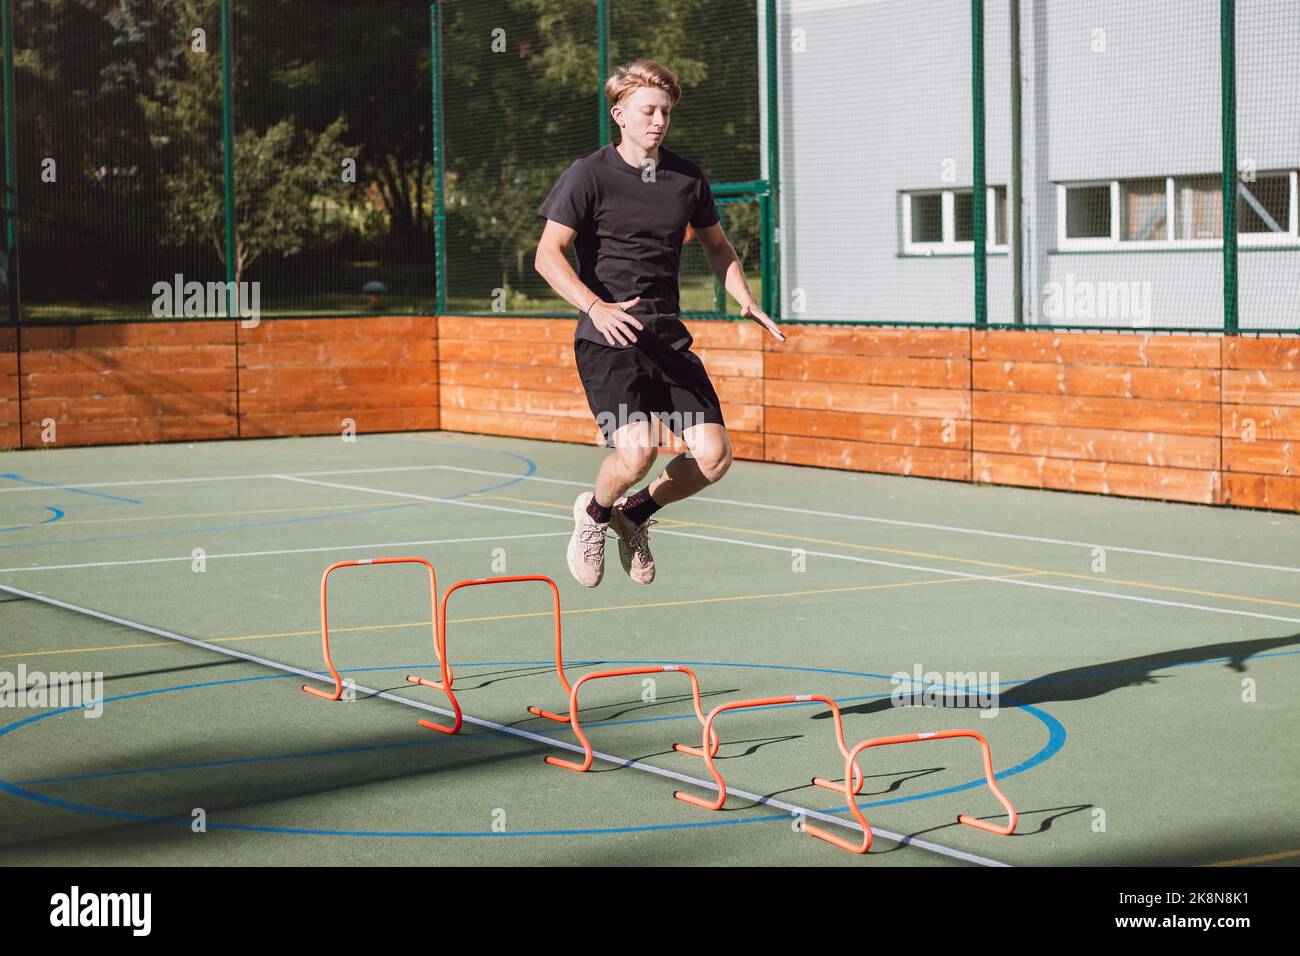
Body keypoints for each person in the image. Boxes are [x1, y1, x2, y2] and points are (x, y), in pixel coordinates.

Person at [534, 59, 784, 589]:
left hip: (666, 337)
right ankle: (595, 515)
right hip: (609, 339)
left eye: (665, 111)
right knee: (638, 450)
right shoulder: (588, 174)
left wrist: (743, 296)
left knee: (715, 457)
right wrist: (594, 305)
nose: (659, 120)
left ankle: (636, 513)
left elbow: (717, 244)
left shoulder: (686, 177)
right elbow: (547, 255)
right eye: (648, 110)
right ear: (619, 114)